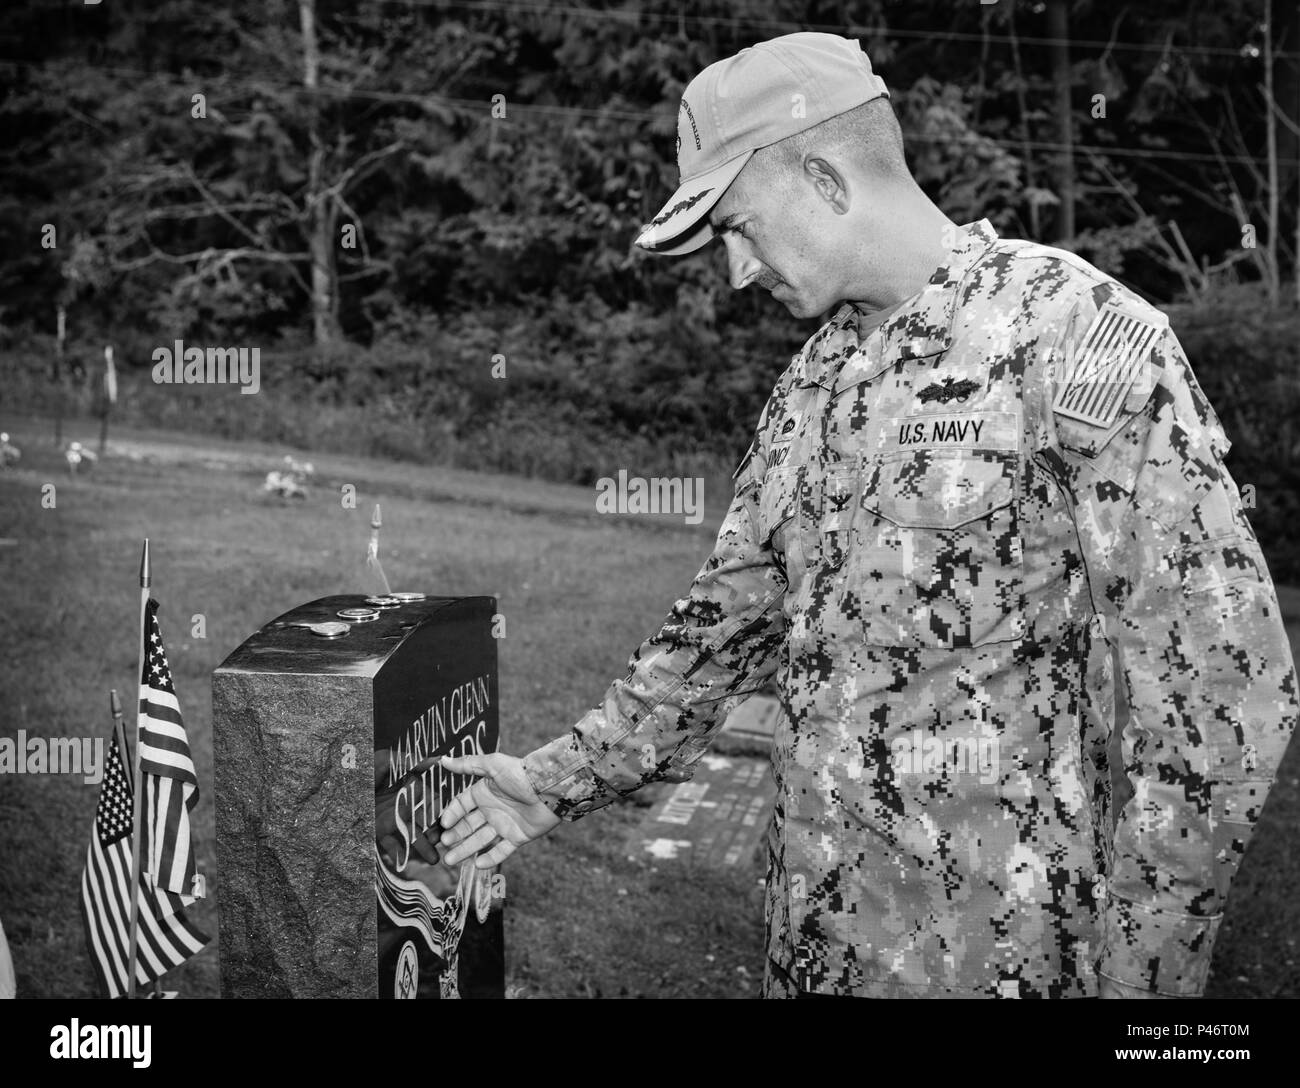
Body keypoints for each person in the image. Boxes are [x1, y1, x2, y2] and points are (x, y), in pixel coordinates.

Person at [438, 32, 1298, 999]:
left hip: (999, 960)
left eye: (737, 227)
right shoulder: (811, 386)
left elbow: (1221, 699)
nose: (736, 271)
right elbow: (719, 632)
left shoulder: (1075, 337)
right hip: (816, 947)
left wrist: (1146, 987)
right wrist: (554, 782)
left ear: (824, 179)